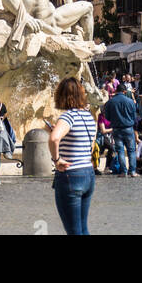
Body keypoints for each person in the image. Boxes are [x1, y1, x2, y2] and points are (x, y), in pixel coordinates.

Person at [49, 76, 97, 236]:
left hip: (70, 175)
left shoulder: (67, 117)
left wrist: (57, 160)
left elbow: (54, 138)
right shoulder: (88, 116)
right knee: (83, 229)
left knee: (74, 231)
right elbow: (90, 146)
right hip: (88, 173)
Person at [104, 81, 138, 177]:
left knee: (120, 151)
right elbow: (134, 116)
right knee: (131, 150)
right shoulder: (130, 101)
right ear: (124, 91)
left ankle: (123, 172)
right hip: (128, 128)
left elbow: (107, 117)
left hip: (116, 129)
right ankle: (133, 171)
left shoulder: (110, 102)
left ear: (116, 91)